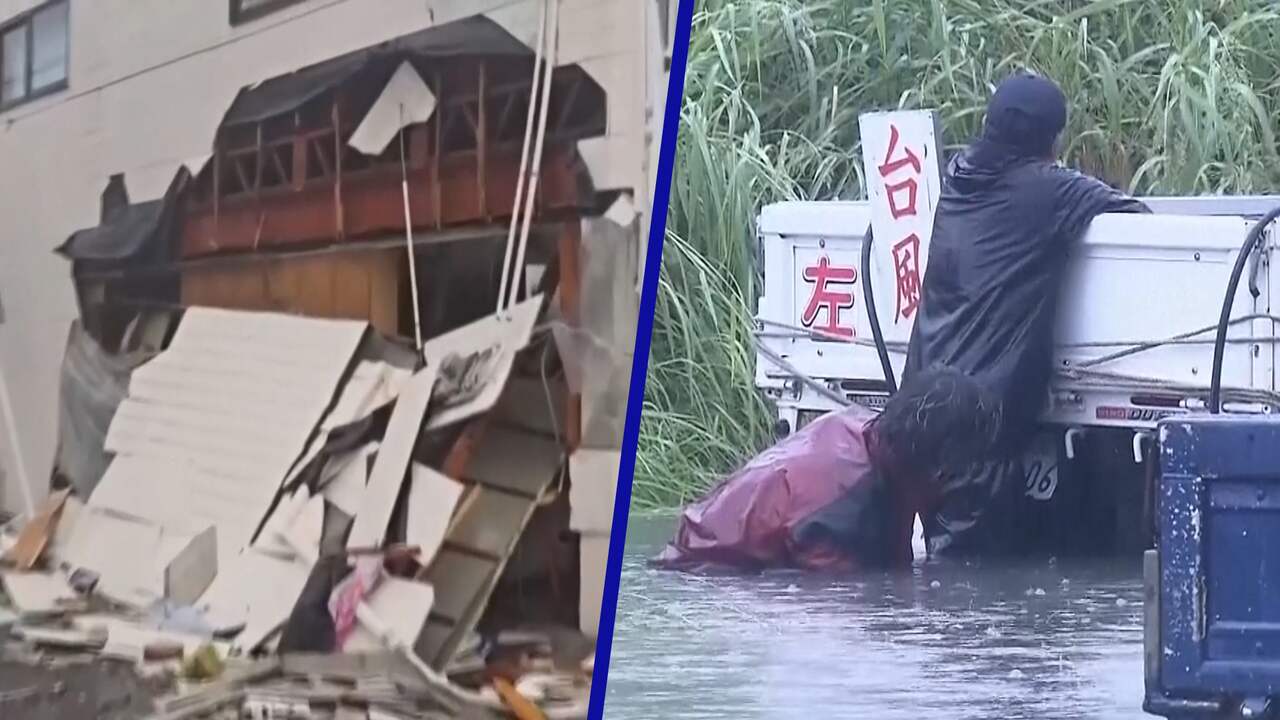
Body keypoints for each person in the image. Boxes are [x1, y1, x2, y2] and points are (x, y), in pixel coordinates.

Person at [903, 71, 1150, 557]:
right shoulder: (1049, 191)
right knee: (977, 588)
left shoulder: (959, 174)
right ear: (1048, 139)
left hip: (924, 406)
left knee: (940, 567)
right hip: (983, 424)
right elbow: (1136, 215)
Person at [653, 367, 1002, 573]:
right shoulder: (845, 508)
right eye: (957, 473)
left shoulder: (863, 428)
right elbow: (838, 609)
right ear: (935, 467)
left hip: (705, 544)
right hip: (704, 576)